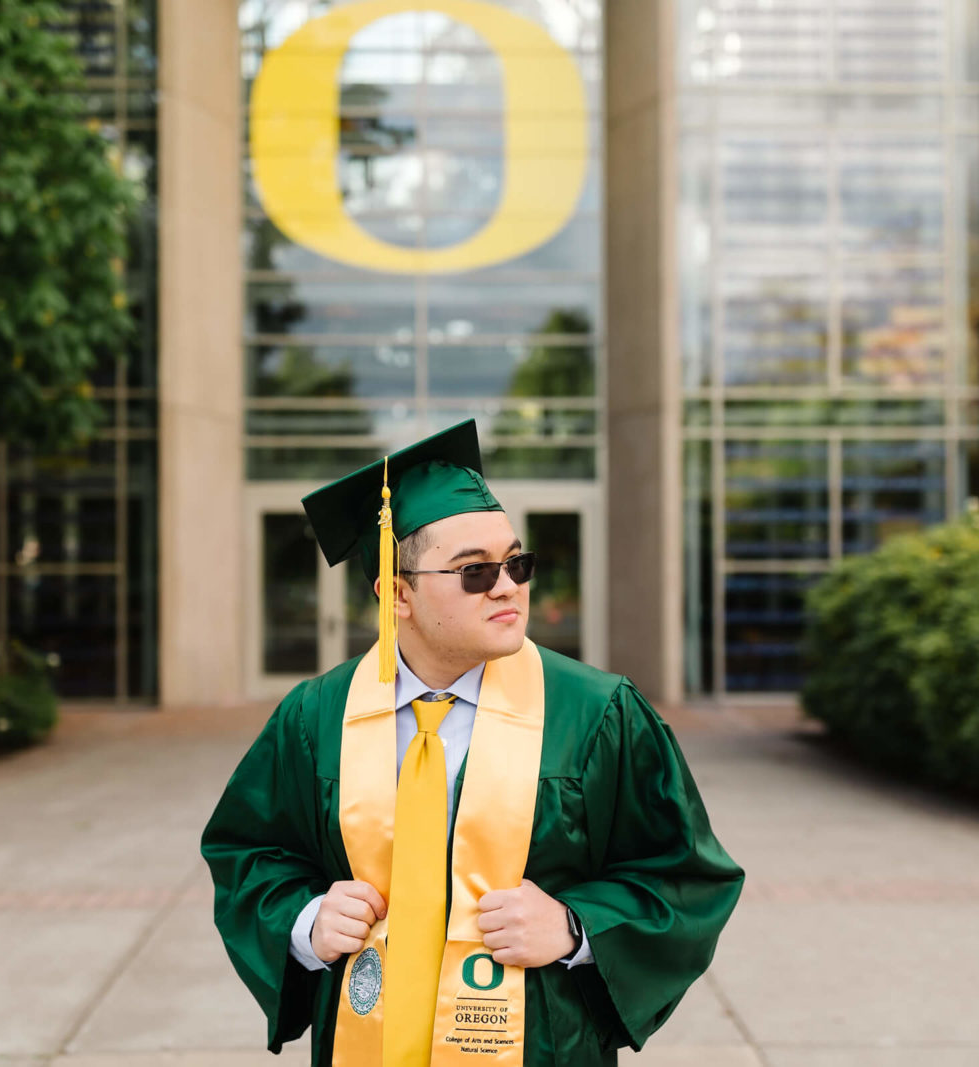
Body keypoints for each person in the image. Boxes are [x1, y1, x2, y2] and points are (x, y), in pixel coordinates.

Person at [201, 419, 744, 1066]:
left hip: (537, 1044)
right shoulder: (315, 717)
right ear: (396, 593)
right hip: (362, 1039)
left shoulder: (597, 713)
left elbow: (686, 876)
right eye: (474, 572)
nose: (509, 585)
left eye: (517, 561)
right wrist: (304, 919)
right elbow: (249, 851)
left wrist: (576, 927)